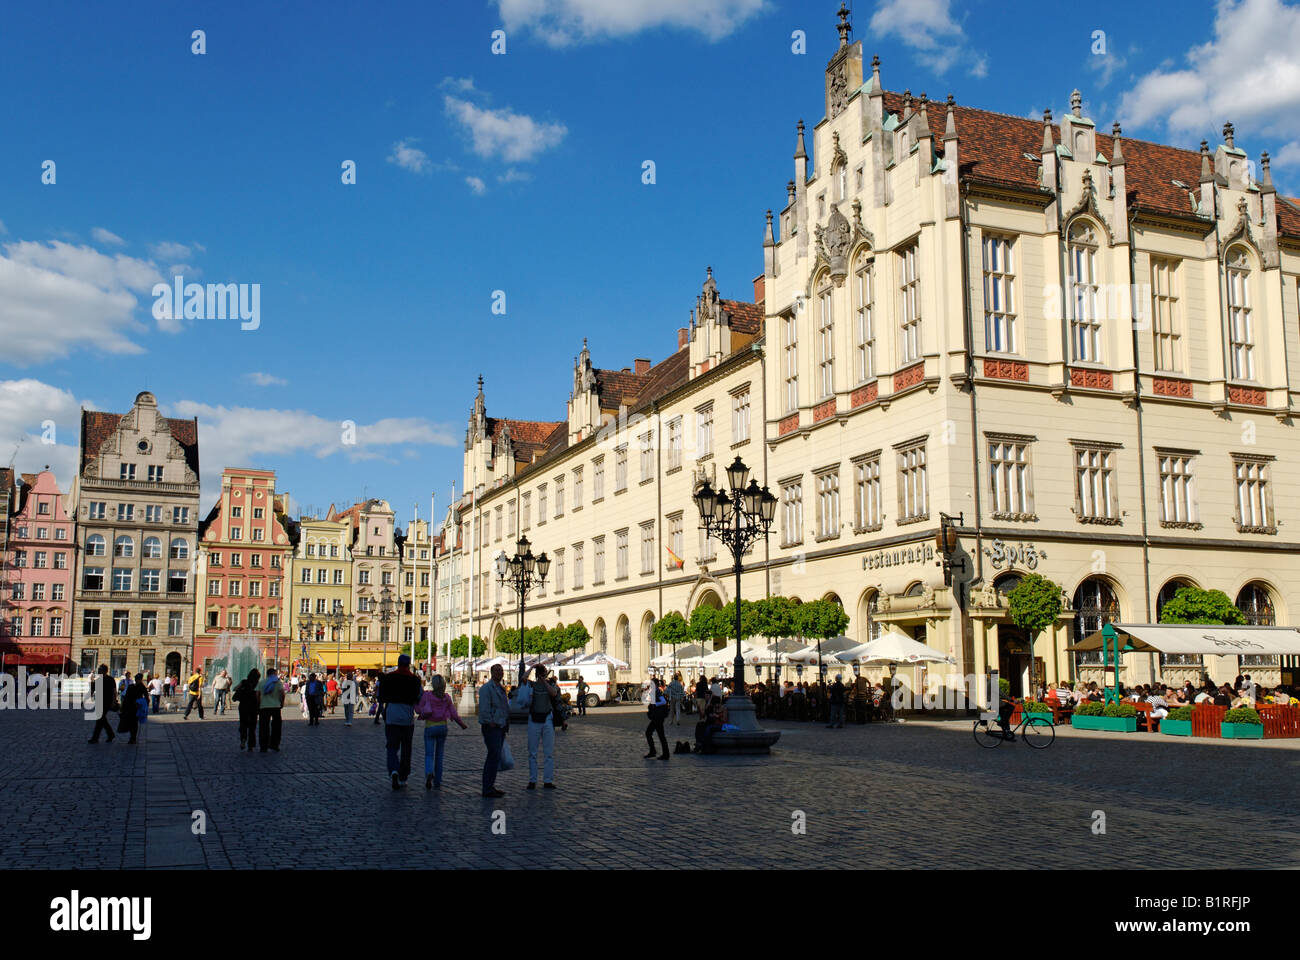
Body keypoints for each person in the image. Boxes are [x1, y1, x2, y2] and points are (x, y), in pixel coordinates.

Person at [416, 674, 467, 789]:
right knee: (439, 755)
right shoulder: (446, 697)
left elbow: (419, 709)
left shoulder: (427, 696)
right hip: (442, 727)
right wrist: (462, 725)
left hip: (430, 727)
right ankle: (438, 780)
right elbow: (454, 714)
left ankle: (429, 772)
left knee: (429, 754)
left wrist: (415, 705)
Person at [381, 656, 423, 790]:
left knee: (392, 747)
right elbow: (419, 697)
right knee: (406, 748)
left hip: (392, 715)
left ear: (398, 664)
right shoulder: (415, 680)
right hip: (407, 717)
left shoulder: (389, 677)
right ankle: (403, 776)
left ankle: (393, 770)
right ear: (409, 664)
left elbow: (381, 696)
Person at [515, 664, 558, 789]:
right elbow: (522, 678)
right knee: (532, 752)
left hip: (547, 719)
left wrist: (544, 680)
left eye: (543, 672)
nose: (542, 674)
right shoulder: (531, 685)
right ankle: (532, 780)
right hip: (534, 719)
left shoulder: (550, 684)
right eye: (541, 672)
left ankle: (548, 780)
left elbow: (554, 693)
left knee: (548, 752)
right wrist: (532, 667)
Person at [478, 662, 510, 798]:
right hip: (492, 727)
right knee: (493, 756)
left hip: (500, 726)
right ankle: (487, 788)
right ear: (492, 673)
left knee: (495, 757)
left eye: (501, 670)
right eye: (497, 670)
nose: (500, 672)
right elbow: (484, 708)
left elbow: (504, 707)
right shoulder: (487, 688)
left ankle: (490, 786)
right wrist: (489, 722)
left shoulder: (501, 688)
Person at [232, 669, 261, 751]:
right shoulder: (257, 684)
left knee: (243, 723)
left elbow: (234, 689)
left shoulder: (244, 682)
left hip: (243, 706)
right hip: (253, 707)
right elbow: (258, 696)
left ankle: (243, 739)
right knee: (252, 726)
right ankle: (250, 745)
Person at [88, 665, 118, 744]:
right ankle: (110, 734)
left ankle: (95, 738)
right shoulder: (97, 680)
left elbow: (114, 691)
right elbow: (92, 691)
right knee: (102, 719)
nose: (98, 671)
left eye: (100, 669)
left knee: (99, 720)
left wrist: (113, 702)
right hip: (99, 702)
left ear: (105, 671)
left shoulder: (110, 679)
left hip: (107, 702)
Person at [258, 668, 286, 752]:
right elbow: (282, 693)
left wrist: (259, 704)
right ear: (274, 674)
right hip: (275, 706)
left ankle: (263, 746)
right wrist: (282, 703)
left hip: (264, 707)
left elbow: (257, 694)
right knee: (276, 727)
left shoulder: (262, 682)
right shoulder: (278, 682)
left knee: (263, 727)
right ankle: (274, 744)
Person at [644, 676, 671, 760]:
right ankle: (657, 752)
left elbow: (663, 701)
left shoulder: (657, 692)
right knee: (655, 734)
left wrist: (655, 704)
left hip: (658, 717)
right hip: (657, 717)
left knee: (653, 733)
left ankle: (660, 753)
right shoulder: (655, 691)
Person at [118, 673, 147, 744]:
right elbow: (146, 698)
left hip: (131, 707)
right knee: (134, 723)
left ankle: (132, 737)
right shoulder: (141, 687)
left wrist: (122, 707)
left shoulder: (132, 686)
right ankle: (133, 737)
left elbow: (126, 698)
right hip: (135, 706)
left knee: (132, 722)